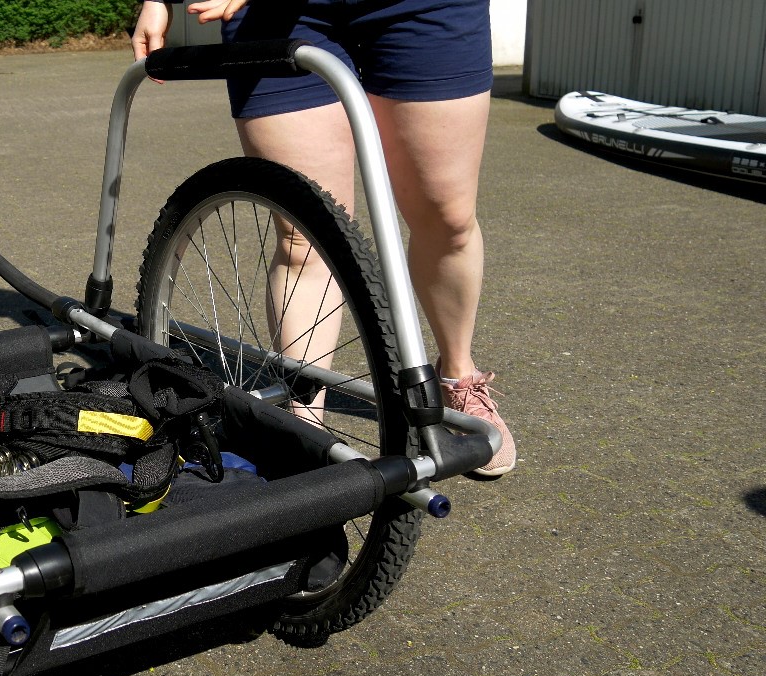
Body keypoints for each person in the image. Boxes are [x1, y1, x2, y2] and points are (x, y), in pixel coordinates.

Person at [132, 0, 516, 476]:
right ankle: (304, 425)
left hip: (418, 8)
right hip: (280, 13)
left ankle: (457, 375)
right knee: (304, 234)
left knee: (447, 217)